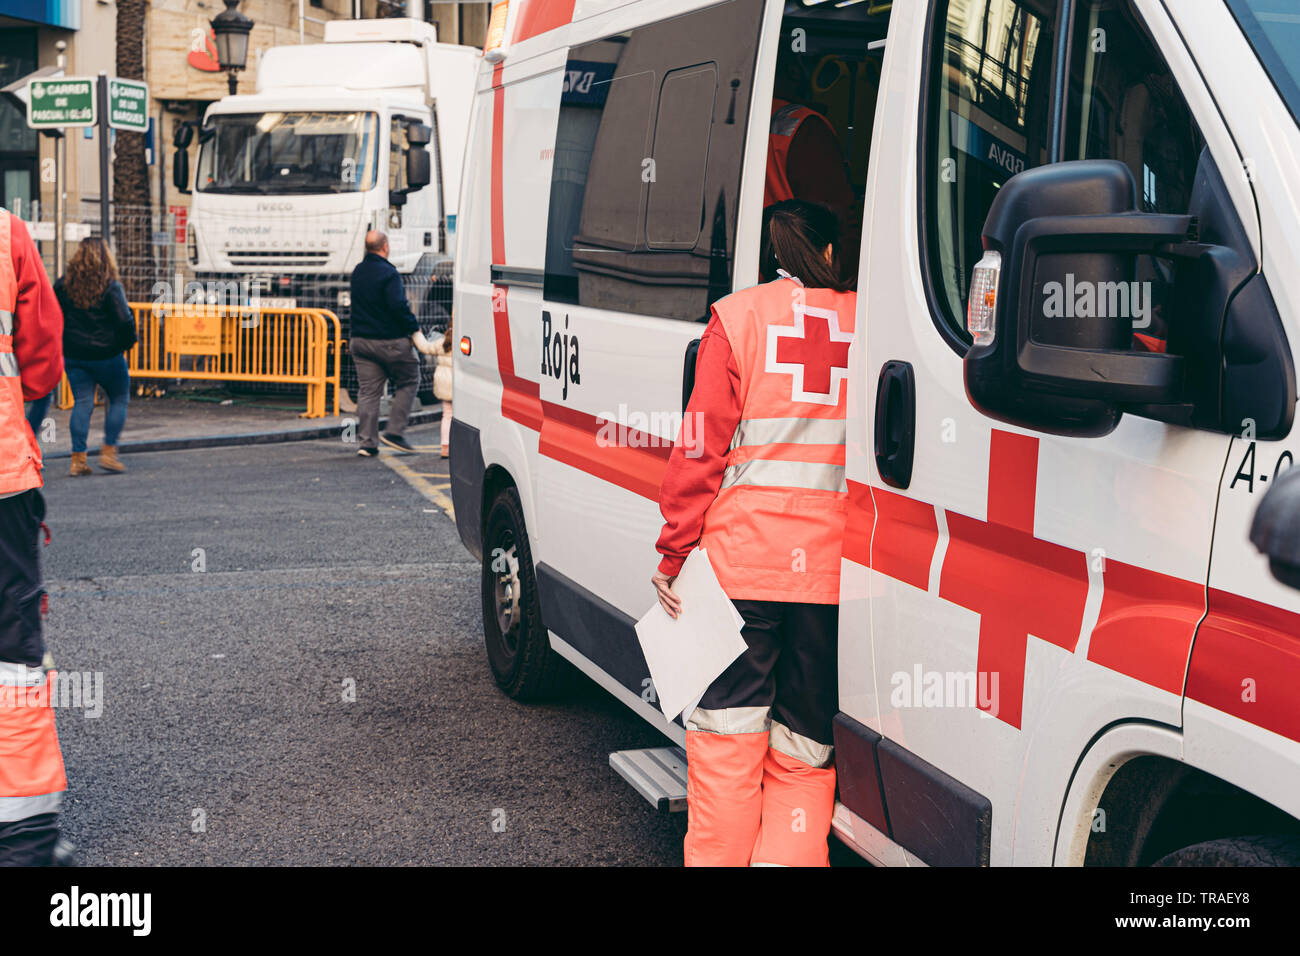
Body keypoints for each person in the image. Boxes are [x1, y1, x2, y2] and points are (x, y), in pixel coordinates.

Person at [652, 200, 856, 867]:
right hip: (831, 575)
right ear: (828, 251)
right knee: (802, 748)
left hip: (742, 568)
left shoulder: (738, 318)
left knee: (727, 742)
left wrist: (675, 550)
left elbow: (699, 447)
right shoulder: (870, 322)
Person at [0, 208, 71, 866]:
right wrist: (23, 412)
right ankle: (21, 832)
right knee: (12, 654)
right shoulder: (5, 233)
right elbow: (43, 348)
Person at [349, 230, 438, 457]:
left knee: (368, 392)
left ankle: (367, 443)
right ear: (385, 247)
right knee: (409, 379)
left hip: (360, 342)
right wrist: (414, 329)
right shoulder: (389, 274)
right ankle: (394, 432)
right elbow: (398, 306)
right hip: (389, 342)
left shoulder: (357, 272)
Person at [55, 238, 137, 476]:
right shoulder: (111, 286)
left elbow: (53, 314)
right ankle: (108, 452)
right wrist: (125, 344)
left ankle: (78, 460)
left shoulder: (63, 285)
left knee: (82, 402)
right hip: (107, 355)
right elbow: (124, 320)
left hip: (74, 355)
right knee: (119, 398)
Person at [431, 322, 454, 459]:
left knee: (447, 415)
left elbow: (425, 347)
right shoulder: (465, 341)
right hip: (458, 384)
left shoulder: (441, 343)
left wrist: (416, 333)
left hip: (444, 384)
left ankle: (445, 447)